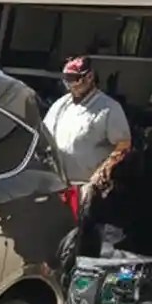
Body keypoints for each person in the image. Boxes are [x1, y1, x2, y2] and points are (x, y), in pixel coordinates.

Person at [43, 56, 133, 256]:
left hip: (86, 188)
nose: (70, 84)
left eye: (75, 78)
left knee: (83, 242)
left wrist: (100, 175)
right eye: (66, 78)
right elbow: (44, 135)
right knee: (55, 241)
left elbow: (123, 144)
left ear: (89, 77)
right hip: (57, 185)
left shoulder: (108, 108)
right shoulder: (60, 104)